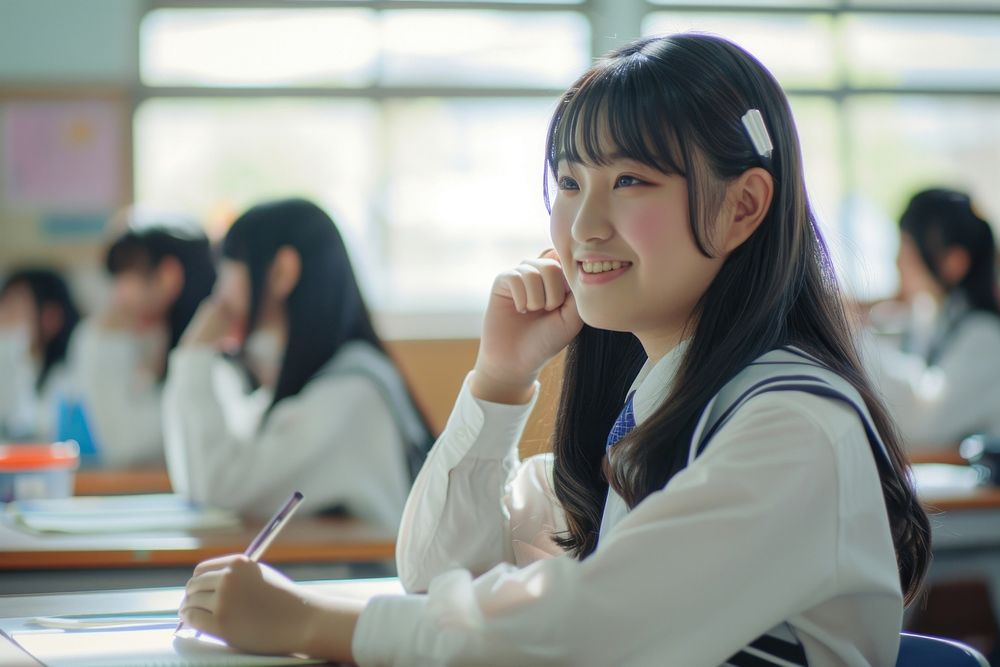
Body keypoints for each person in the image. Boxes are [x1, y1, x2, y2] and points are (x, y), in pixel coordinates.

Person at [178, 34, 930, 666]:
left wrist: (312, 622)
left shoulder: (790, 426)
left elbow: (594, 624)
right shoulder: (654, 413)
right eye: (570, 182)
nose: (584, 225)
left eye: (630, 179)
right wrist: (500, 380)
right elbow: (440, 571)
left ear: (743, 206)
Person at [163, 198, 432, 531]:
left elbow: (218, 486)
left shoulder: (348, 394)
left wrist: (194, 355)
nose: (218, 294)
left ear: (281, 272)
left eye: (226, 269)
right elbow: (198, 482)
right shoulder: (317, 381)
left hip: (367, 580)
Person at [71, 212, 216, 466]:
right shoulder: (160, 338)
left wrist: (104, 341)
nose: (117, 293)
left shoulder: (210, 347)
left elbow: (127, 445)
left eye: (125, 274)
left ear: (168, 276)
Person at [865, 188, 1000, 449]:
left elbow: (922, 423)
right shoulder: (929, 320)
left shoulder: (984, 338)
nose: (898, 262)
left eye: (908, 250)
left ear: (954, 261)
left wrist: (850, 341)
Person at [0, 268, 80, 441]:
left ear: (51, 317)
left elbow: (27, 427)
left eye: (14, 310)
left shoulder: (70, 375)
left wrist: (11, 350)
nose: (3, 319)